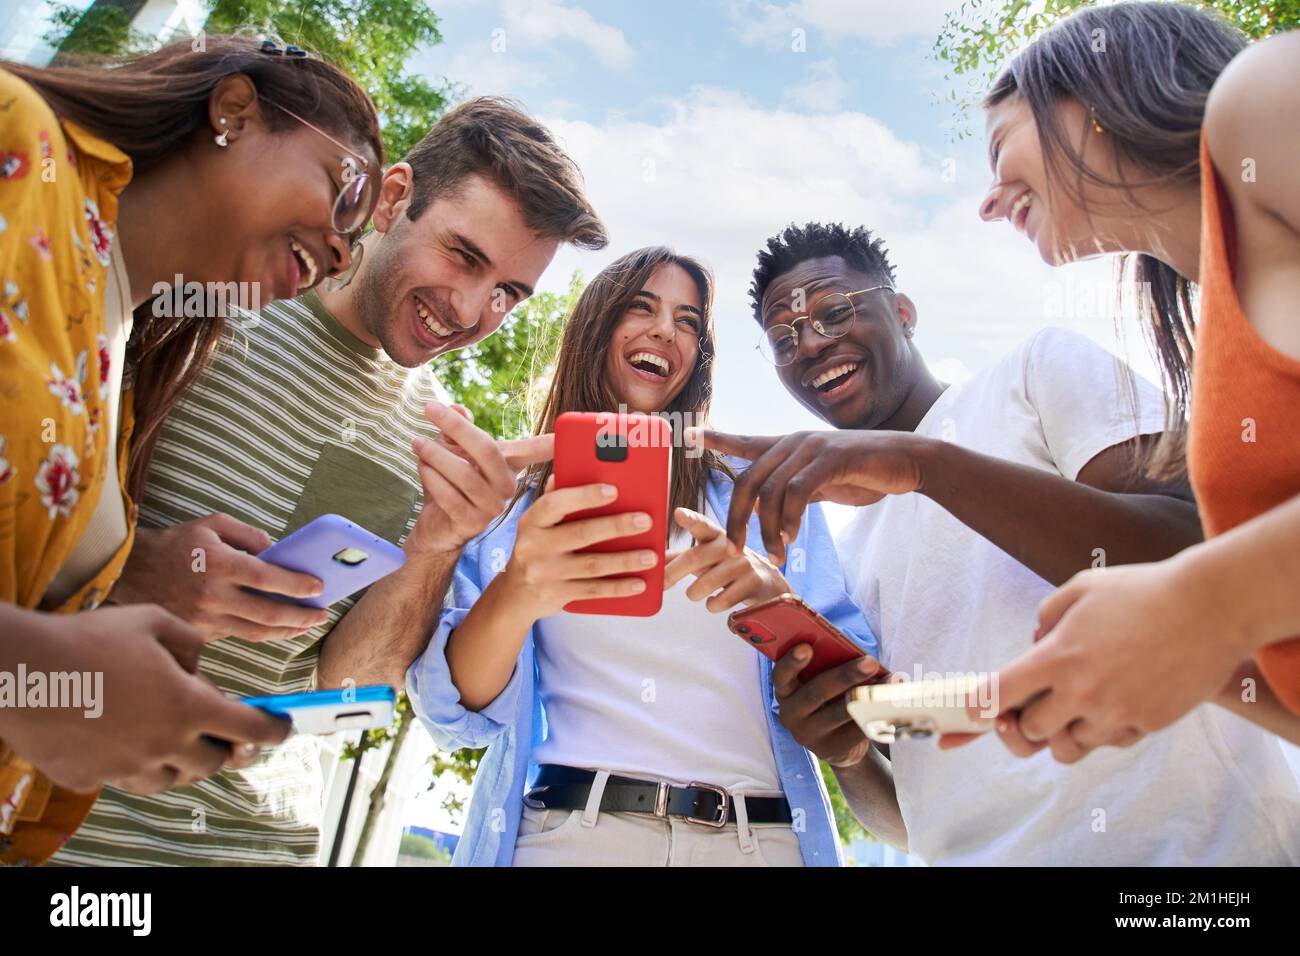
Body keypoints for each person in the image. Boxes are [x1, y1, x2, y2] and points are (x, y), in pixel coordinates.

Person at [51, 97, 606, 866]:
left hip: (259, 843)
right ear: (392, 197)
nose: (474, 310)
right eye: (463, 256)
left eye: (510, 293)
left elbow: (349, 682)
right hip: (63, 822)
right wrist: (133, 576)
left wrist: (440, 541)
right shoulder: (210, 298)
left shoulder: (445, 440)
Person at [701, 221, 1300, 864]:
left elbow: (1200, 553)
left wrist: (928, 467)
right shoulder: (850, 555)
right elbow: (935, 780)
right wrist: (848, 752)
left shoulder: (1036, 373)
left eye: (835, 311)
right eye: (784, 338)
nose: (811, 344)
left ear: (902, 312)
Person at [0, 35, 384, 864]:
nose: (343, 252)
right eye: (341, 186)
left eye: (356, 240)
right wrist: (32, 673)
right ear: (234, 111)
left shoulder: (126, 365)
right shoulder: (17, 144)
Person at [409, 246, 878, 867]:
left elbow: (857, 689)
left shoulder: (757, 489)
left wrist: (772, 600)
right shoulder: (511, 508)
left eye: (688, 321)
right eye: (642, 307)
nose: (665, 329)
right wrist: (519, 589)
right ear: (595, 328)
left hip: (756, 841)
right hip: (571, 837)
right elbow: (455, 717)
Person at [972, 1, 1300, 761]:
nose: (988, 203)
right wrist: (1170, 663)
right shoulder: (1216, 351)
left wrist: (1202, 605)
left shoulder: (1264, 100)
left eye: (1000, 146)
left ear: (1085, 92)